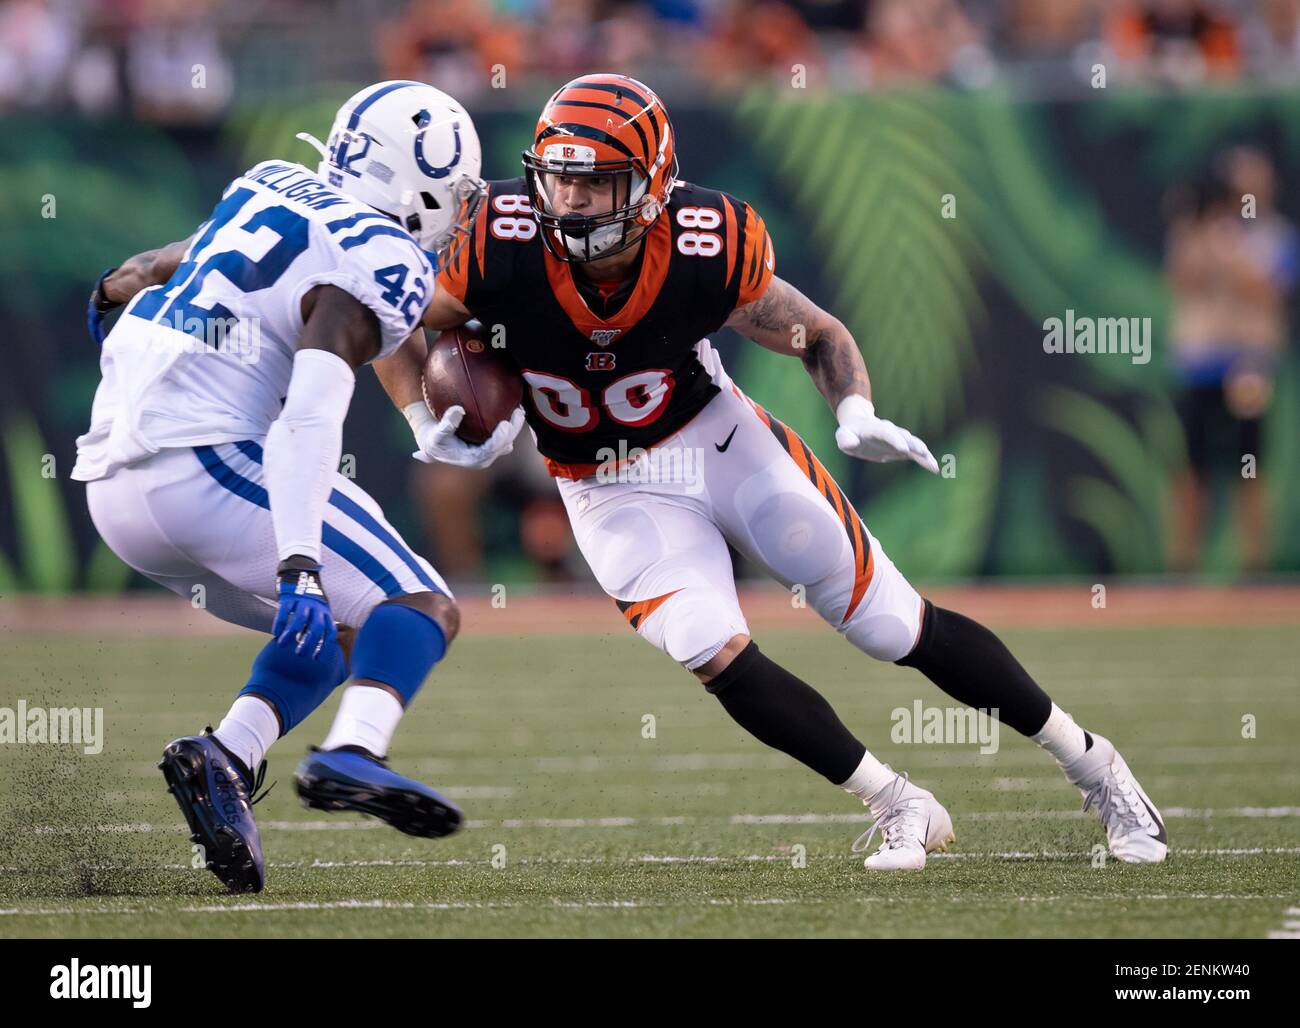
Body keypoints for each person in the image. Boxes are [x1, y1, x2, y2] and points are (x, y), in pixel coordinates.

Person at [381, 74, 1167, 869]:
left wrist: (853, 410)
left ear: (653, 184)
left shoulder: (704, 242)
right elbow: (393, 323)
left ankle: (1096, 765)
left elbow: (816, 335)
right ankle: (899, 803)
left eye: (597, 182)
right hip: (601, 481)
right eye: (561, 178)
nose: (574, 201)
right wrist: (423, 418)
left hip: (712, 438)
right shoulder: (496, 241)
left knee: (890, 625)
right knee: (704, 642)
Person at [73, 80, 513, 892]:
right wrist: (299, 564)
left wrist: (111, 292)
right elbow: (310, 416)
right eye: (453, 194)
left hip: (113, 491)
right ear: (416, 186)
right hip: (201, 466)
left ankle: (227, 755)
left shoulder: (269, 182)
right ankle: (354, 754)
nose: (458, 210)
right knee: (419, 605)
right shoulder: (387, 258)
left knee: (351, 632)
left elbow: (152, 266)